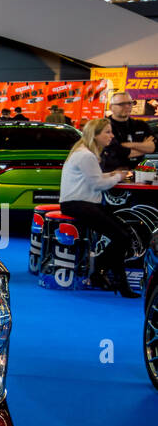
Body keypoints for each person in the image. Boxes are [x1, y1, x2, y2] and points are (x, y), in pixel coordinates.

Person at [58, 118, 141, 297]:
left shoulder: (84, 152)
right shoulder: (86, 155)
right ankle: (106, 274)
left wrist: (111, 174)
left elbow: (93, 177)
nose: (111, 136)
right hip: (78, 204)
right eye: (107, 132)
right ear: (95, 135)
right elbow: (97, 185)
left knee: (123, 235)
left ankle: (105, 274)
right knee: (122, 236)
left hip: (82, 203)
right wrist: (118, 177)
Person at [99, 90, 155, 173]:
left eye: (130, 103)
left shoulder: (141, 125)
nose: (127, 107)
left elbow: (153, 148)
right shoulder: (103, 127)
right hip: (110, 174)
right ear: (111, 107)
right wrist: (143, 147)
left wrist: (128, 145)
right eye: (121, 104)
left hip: (138, 174)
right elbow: (115, 151)